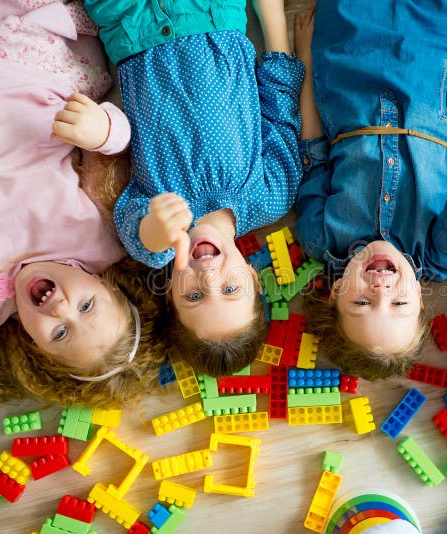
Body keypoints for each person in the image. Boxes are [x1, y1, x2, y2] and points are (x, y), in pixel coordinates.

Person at [0, 0, 167, 406]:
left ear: (31, 343)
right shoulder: (100, 239)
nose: (62, 310)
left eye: (60, 334)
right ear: (104, 281)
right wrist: (103, 131)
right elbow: (121, 152)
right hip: (15, 66)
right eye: (87, 305)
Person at [293, 2, 447, 380]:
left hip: (348, 61)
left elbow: (312, 147)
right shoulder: (435, 258)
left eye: (362, 302)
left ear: (336, 291)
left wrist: (305, 57)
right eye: (399, 302)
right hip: (428, 62)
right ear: (420, 299)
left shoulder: (320, 237)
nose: (382, 287)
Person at [80, 0, 305, 376]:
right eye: (231, 290)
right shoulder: (272, 196)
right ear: (252, 277)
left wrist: (159, 234)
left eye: (195, 296)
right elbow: (280, 102)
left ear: (171, 292)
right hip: (213, 12)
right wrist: (272, 17)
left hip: (130, 24)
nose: (209, 276)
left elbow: (135, 225)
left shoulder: (154, 247)